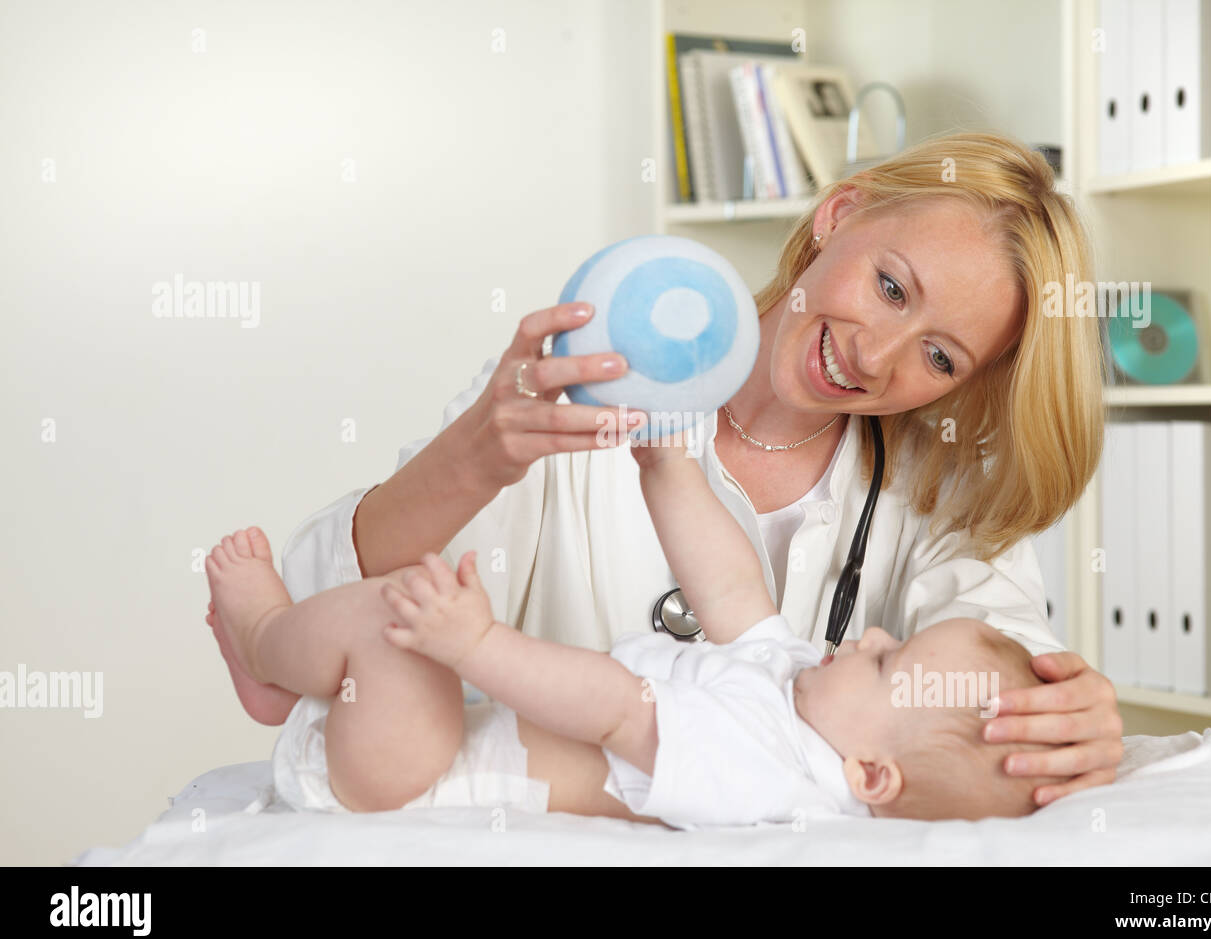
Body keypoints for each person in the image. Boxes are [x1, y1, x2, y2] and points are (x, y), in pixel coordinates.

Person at [205, 129, 1122, 808]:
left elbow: (996, 663)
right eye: (890, 287)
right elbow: (375, 591)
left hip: (460, 797)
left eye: (941, 359)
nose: (879, 357)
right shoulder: (587, 383)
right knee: (374, 619)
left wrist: (1064, 717)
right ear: (839, 215)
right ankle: (261, 640)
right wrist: (473, 461)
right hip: (418, 759)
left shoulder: (940, 484)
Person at [203, 422, 1058, 822]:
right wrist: (671, 470)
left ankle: (260, 641)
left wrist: (478, 645)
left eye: (885, 664)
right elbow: (727, 587)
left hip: (414, 785)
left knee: (393, 617)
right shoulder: (794, 693)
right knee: (395, 629)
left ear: (869, 776)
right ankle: (278, 667)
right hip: (421, 751)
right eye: (889, 638)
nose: (868, 638)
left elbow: (616, 705)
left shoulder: (770, 768)